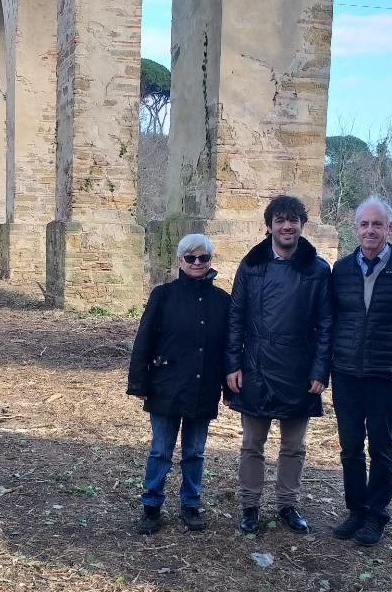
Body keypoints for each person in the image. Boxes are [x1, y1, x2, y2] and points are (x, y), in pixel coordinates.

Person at [225, 194, 333, 535]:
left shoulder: (318, 269)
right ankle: (250, 507)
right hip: (255, 366)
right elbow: (235, 318)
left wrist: (320, 369)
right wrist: (232, 364)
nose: (287, 226)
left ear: (302, 225)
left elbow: (326, 323)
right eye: (280, 220)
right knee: (252, 443)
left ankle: (288, 504)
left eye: (293, 220)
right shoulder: (251, 265)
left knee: (294, 446)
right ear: (269, 225)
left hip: (299, 370)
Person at [329, 196, 392, 546]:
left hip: (383, 374)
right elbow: (332, 320)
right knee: (350, 446)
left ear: (390, 227)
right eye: (364, 224)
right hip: (344, 372)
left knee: (381, 447)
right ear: (356, 228)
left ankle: (376, 515)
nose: (370, 230)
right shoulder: (340, 271)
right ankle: (356, 511)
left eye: (377, 224)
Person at [126, 234, 230, 534]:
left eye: (203, 258)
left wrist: (229, 386)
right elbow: (144, 339)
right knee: (161, 449)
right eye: (190, 258)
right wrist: (138, 381)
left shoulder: (222, 300)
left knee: (195, 451)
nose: (197, 263)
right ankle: (152, 505)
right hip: (166, 385)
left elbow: (228, 347)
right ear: (180, 261)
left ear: (210, 261)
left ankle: (190, 504)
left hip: (203, 386)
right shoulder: (163, 295)